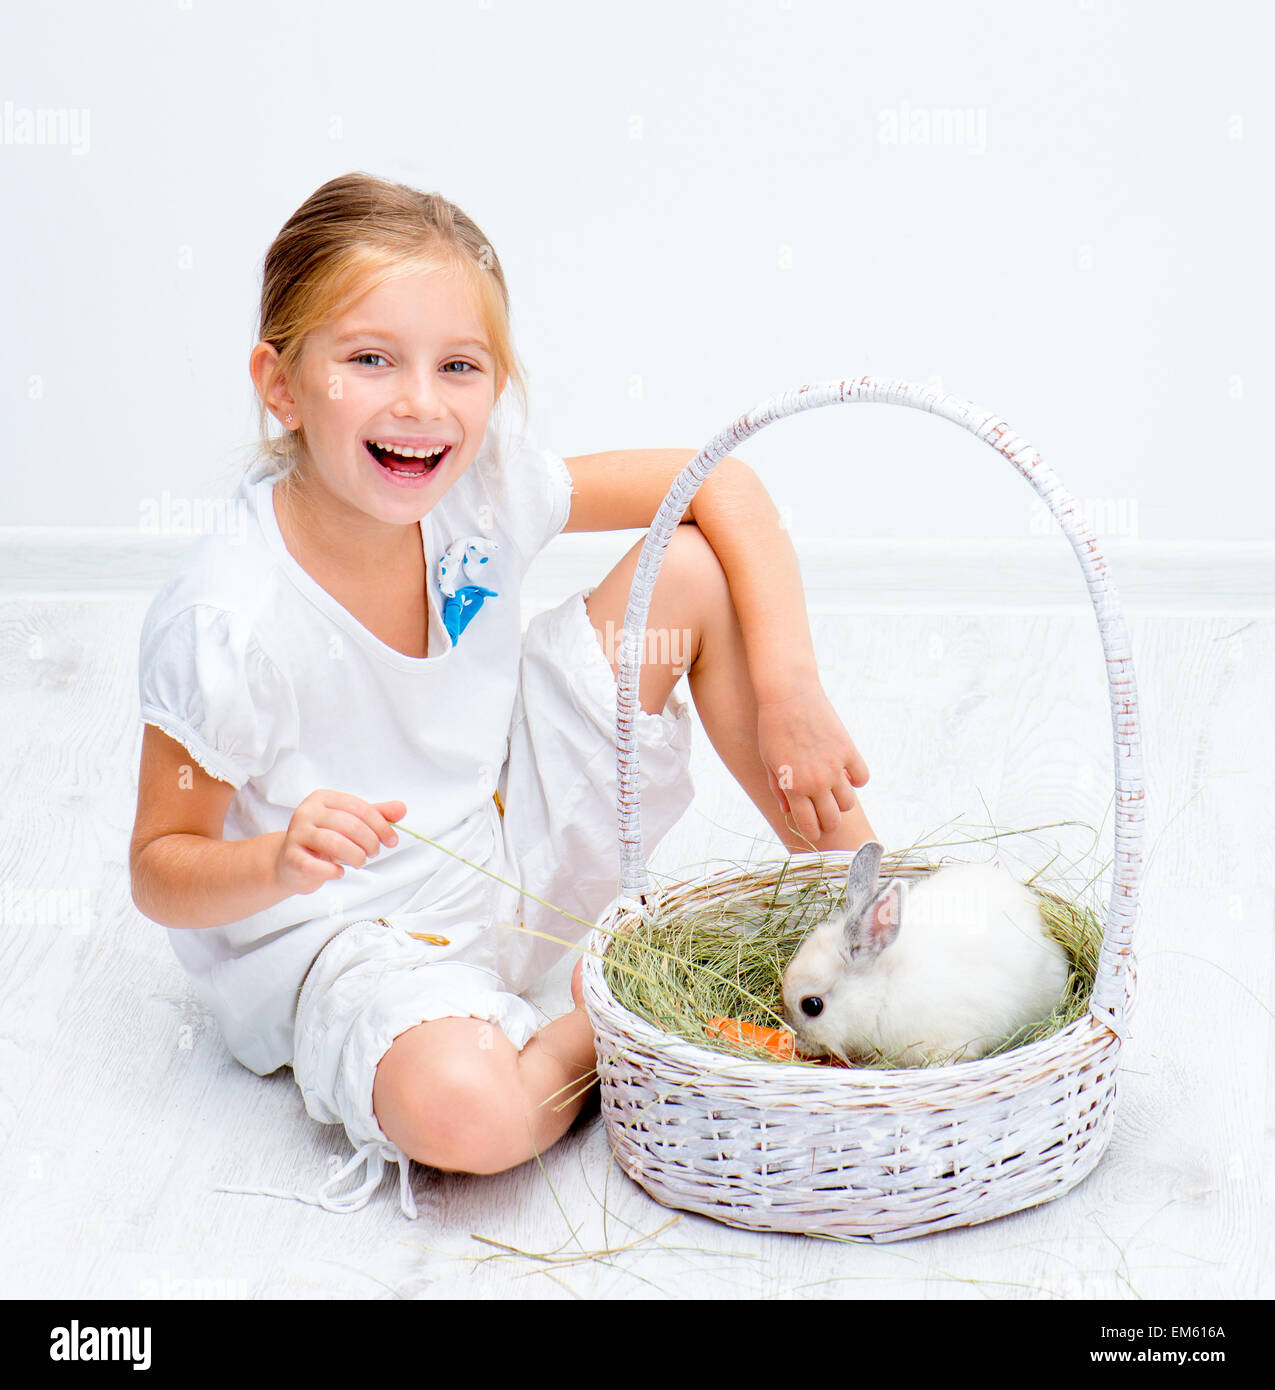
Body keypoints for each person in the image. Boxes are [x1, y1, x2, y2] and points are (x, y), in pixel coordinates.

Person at [129, 172, 877, 1219]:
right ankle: (626, 1008)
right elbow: (160, 869)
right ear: (283, 384)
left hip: (502, 843)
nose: (421, 403)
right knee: (468, 1117)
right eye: (369, 359)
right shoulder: (229, 618)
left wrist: (788, 685)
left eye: (460, 366)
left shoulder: (479, 487)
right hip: (356, 934)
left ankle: (881, 938)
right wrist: (274, 855)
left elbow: (724, 483)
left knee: (695, 573)